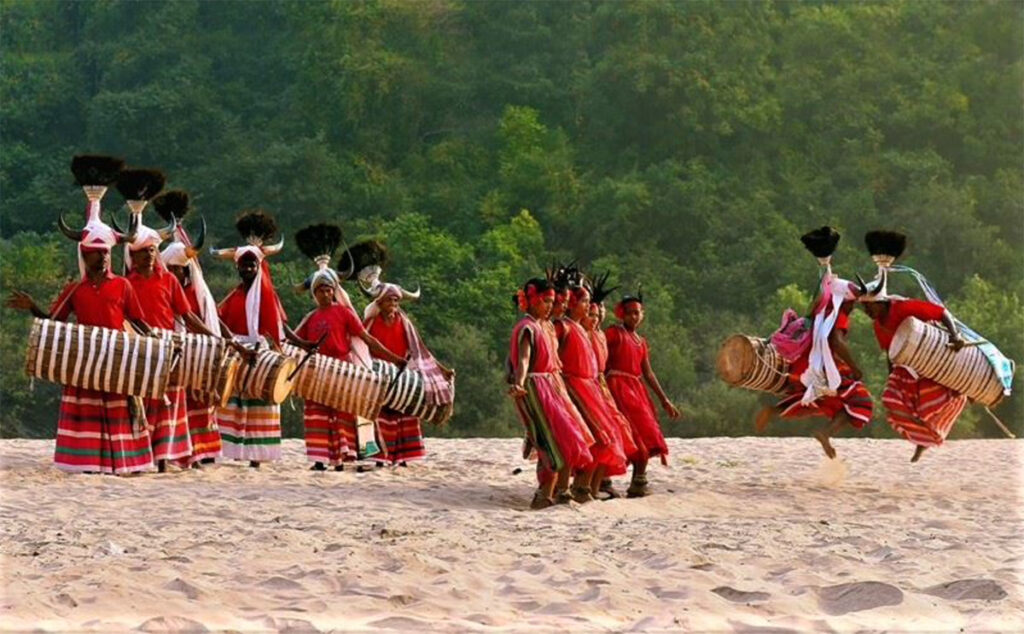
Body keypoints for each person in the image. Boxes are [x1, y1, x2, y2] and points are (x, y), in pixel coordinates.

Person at [5, 154, 155, 475]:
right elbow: (54, 322)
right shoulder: (75, 290)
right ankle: (85, 463)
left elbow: (136, 320)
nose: (102, 258)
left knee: (119, 409)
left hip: (116, 357)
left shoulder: (123, 285)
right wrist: (32, 307)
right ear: (85, 257)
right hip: (84, 360)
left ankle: (123, 463)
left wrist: (154, 339)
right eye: (96, 254)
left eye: (105, 253)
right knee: (86, 412)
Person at [121, 171, 224, 472]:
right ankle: (140, 458)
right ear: (133, 256)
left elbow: (187, 315)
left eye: (153, 250)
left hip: (169, 349)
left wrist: (213, 338)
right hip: (139, 349)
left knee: (168, 404)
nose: (149, 256)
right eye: (143, 252)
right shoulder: (126, 283)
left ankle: (164, 460)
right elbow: (125, 318)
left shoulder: (169, 281)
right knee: (142, 403)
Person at [286, 229, 406, 471]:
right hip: (316, 372)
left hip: (342, 370)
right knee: (317, 415)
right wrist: (298, 343)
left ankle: (342, 458)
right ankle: (320, 460)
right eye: (321, 290)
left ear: (334, 291)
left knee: (343, 414)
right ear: (314, 294)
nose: (325, 293)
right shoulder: (311, 317)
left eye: (329, 289)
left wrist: (395, 359)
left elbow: (367, 339)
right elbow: (293, 340)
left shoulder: (344, 313)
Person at [761, 227, 873, 460]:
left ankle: (775, 410)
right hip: (819, 364)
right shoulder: (838, 313)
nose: (855, 306)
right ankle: (825, 433)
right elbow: (836, 342)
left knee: (826, 399)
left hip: (805, 363)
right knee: (861, 400)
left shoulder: (822, 309)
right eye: (853, 302)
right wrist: (855, 368)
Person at [857, 230, 967, 462]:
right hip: (906, 367)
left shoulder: (903, 307)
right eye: (864, 307)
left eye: (869, 306)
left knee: (928, 404)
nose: (866, 311)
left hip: (930, 358)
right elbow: (890, 353)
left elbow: (941, 312)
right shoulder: (878, 325)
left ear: (881, 302)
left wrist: (955, 335)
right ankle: (921, 438)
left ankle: (925, 438)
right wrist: (891, 377)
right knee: (890, 400)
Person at [156, 190, 229, 468]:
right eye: (170, 269)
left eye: (178, 270)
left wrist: (222, 340)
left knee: (202, 403)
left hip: (200, 353)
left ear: (186, 271)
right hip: (178, 353)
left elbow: (206, 318)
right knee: (181, 403)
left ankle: (202, 452)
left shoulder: (196, 291)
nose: (173, 274)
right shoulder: (168, 289)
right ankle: (184, 454)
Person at [211, 210, 289, 468]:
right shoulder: (233, 296)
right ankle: (230, 450)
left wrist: (293, 346)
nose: (248, 268)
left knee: (259, 403)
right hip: (236, 352)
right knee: (232, 404)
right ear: (238, 267)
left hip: (259, 352)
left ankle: (257, 456)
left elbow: (279, 325)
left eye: (252, 265)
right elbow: (217, 320)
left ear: (258, 267)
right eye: (244, 265)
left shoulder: (268, 295)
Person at [508, 278, 595, 509]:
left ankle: (562, 491)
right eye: (545, 301)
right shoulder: (527, 327)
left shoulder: (546, 325)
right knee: (552, 442)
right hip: (537, 388)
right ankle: (544, 495)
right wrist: (519, 382)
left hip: (554, 386)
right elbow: (524, 358)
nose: (550, 306)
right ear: (532, 301)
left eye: (551, 301)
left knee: (572, 437)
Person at [364, 282, 454, 467]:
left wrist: (442, 370)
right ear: (380, 302)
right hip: (378, 375)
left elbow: (419, 350)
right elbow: (361, 344)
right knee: (379, 415)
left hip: (402, 377)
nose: (393, 304)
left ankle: (403, 458)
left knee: (404, 414)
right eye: (389, 300)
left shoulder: (404, 323)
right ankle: (380, 458)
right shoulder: (371, 323)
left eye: (396, 300)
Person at [555, 282, 628, 501]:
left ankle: (584, 489)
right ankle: (568, 489)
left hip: (591, 388)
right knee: (590, 439)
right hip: (573, 387)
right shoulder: (563, 327)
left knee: (606, 438)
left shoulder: (582, 329)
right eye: (585, 301)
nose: (589, 306)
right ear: (572, 303)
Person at [605, 292, 680, 497]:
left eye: (637, 313)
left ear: (643, 314)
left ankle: (638, 481)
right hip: (616, 386)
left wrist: (664, 400)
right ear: (622, 314)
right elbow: (599, 355)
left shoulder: (641, 341)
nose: (634, 317)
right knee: (621, 432)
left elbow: (648, 372)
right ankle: (604, 480)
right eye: (630, 313)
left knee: (647, 431)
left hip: (635, 389)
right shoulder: (614, 333)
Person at [584, 272, 640, 500]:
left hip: (600, 386)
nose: (597, 317)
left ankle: (596, 486)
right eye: (592, 313)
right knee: (596, 437)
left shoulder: (599, 334)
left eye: (600, 312)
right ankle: (582, 487)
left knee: (614, 434)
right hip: (586, 386)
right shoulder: (589, 333)